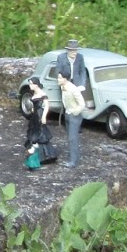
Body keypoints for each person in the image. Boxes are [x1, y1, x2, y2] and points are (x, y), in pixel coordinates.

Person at [53, 39, 91, 168]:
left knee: (72, 137)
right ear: (68, 51)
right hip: (67, 85)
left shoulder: (80, 58)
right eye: (72, 51)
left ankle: (73, 160)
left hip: (75, 87)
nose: (74, 53)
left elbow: (82, 72)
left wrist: (81, 85)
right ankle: (70, 125)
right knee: (69, 129)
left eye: (75, 50)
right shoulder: (61, 59)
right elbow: (58, 71)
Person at [22, 77, 57, 169]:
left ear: (36, 84)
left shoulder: (42, 93)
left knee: (40, 133)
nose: (30, 86)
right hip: (34, 115)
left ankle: (42, 154)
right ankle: (36, 153)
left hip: (39, 114)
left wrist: (44, 116)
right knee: (33, 132)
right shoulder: (35, 93)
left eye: (31, 84)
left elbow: (46, 105)